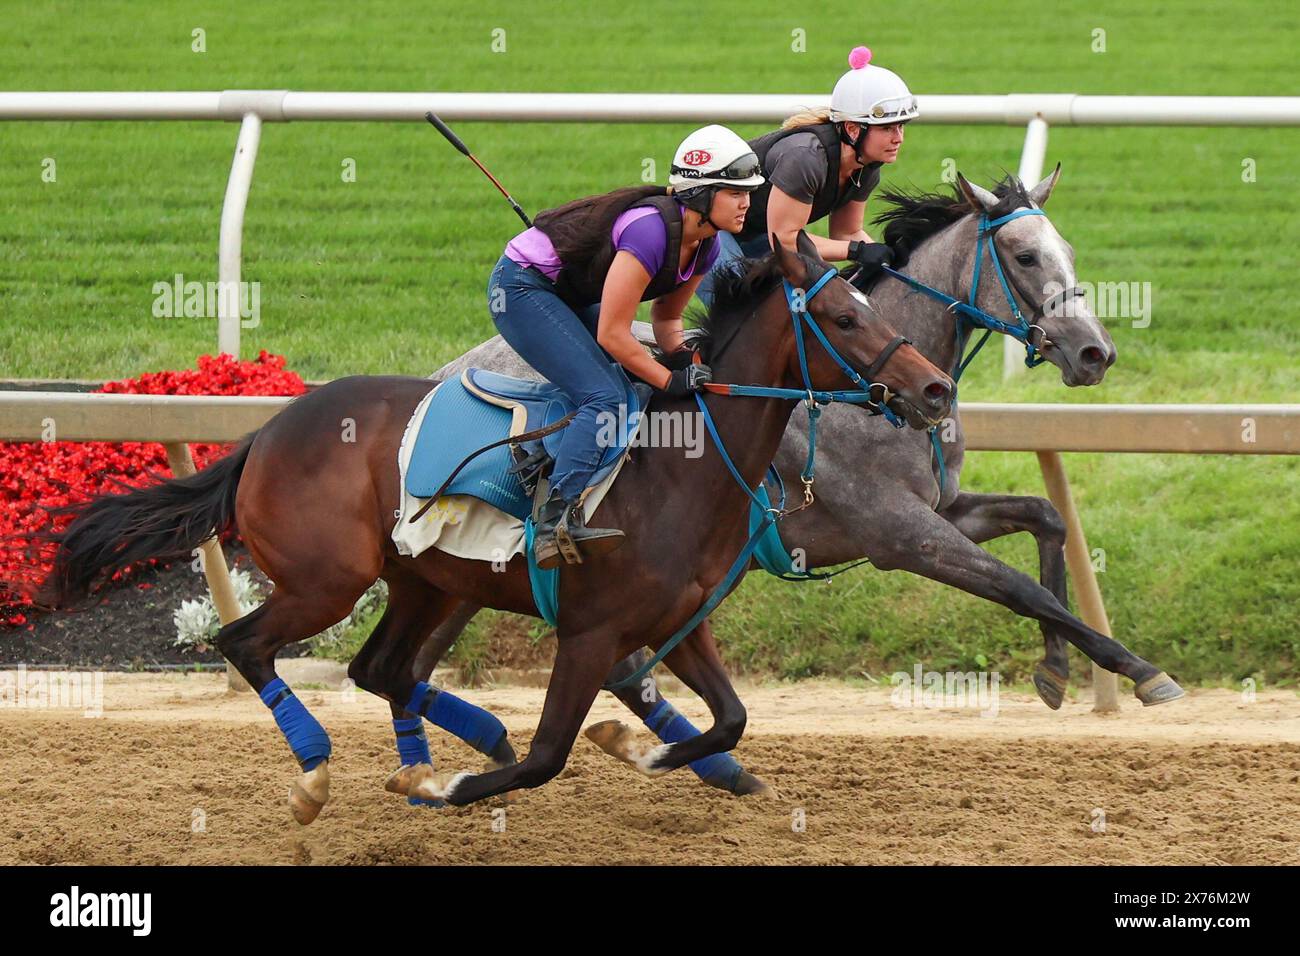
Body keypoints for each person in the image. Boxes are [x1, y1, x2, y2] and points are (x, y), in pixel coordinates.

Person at [488, 124, 765, 569]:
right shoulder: (651, 233)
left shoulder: (707, 245)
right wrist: (670, 380)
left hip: (569, 293)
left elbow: (667, 320)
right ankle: (552, 524)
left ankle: (545, 450)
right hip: (522, 287)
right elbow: (614, 335)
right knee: (606, 396)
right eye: (735, 193)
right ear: (701, 195)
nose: (746, 202)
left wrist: (687, 364)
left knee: (639, 379)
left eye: (748, 192)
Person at [696, 45, 917, 306]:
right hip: (707, 226)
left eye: (901, 126)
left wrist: (890, 258)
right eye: (888, 128)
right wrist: (858, 251)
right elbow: (785, 241)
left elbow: (846, 231)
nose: (898, 138)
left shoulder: (866, 165)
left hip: (757, 232)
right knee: (745, 313)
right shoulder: (806, 158)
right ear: (853, 129)